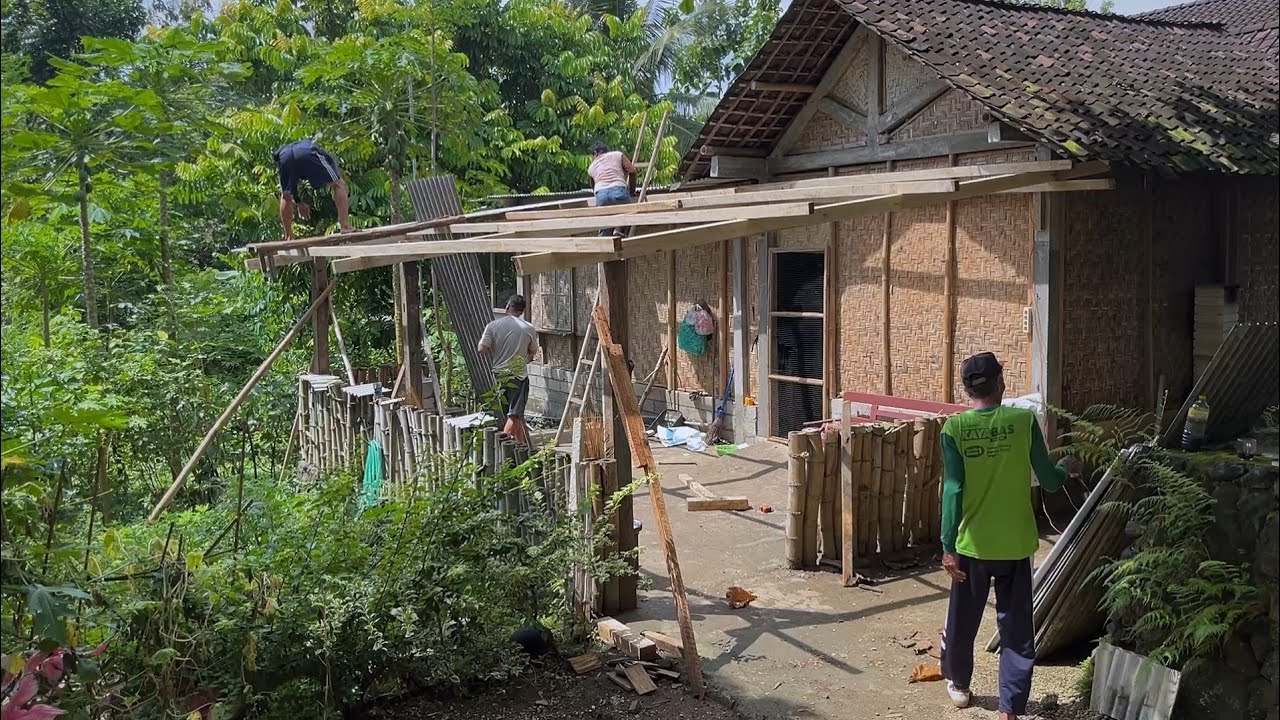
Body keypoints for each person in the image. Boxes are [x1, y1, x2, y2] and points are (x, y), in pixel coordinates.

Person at [938, 352, 1082, 720]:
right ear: (1000, 382)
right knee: (1017, 628)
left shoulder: (953, 430)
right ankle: (1010, 708)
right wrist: (1066, 468)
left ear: (967, 388)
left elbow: (953, 490)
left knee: (962, 622)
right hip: (1015, 546)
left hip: (972, 546)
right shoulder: (1023, 421)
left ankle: (959, 684)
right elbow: (1049, 479)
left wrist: (947, 547)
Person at [478, 295, 540, 445]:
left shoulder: (492, 326)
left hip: (499, 375)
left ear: (507, 307)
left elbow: (482, 348)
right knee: (515, 415)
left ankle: (522, 447)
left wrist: (496, 348)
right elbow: (533, 351)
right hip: (518, 376)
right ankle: (502, 446)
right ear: (522, 310)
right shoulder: (528, 328)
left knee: (511, 414)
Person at [274, 139, 354, 241]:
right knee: (339, 185)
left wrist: (299, 202)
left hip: (284, 156)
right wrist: (299, 202)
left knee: (286, 195)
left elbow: (290, 189)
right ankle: (345, 226)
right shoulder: (326, 157)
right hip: (307, 152)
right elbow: (336, 180)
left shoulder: (285, 153)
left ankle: (289, 236)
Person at [587, 141, 637, 237]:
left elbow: (593, 186)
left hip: (601, 195)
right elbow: (632, 171)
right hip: (618, 190)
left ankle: (603, 243)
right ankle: (619, 230)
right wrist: (632, 192)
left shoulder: (591, 167)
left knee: (605, 223)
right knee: (628, 214)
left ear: (595, 153)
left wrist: (600, 198)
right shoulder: (618, 155)